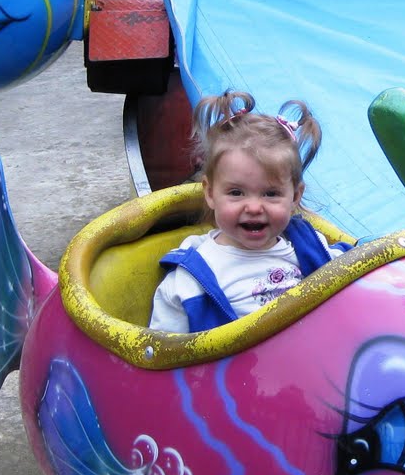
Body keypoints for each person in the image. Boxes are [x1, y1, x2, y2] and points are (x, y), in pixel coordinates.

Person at [149, 91, 348, 333]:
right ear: (210, 193)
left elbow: (362, 275)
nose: (254, 207)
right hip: (242, 359)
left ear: (295, 197)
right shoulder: (191, 279)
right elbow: (164, 349)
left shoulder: (310, 246)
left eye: (271, 194)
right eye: (236, 193)